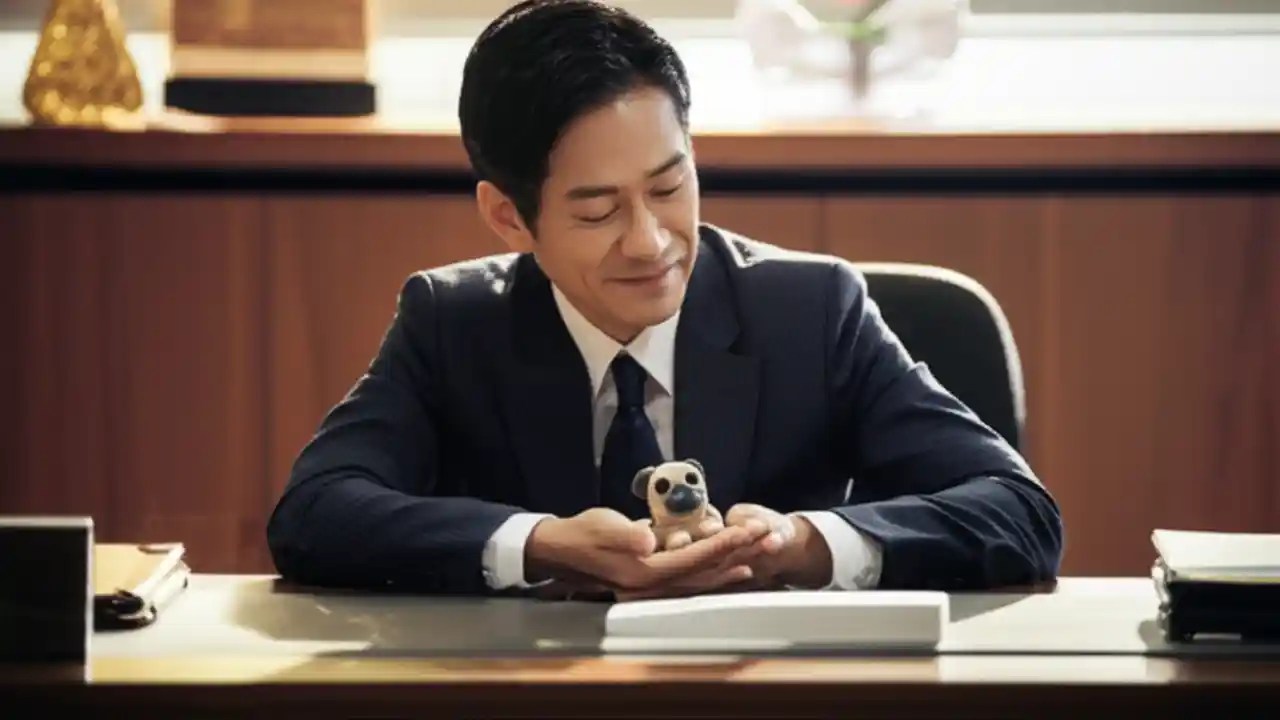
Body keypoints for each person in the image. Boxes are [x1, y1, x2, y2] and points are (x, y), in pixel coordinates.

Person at [266, 0, 1063, 600]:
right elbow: (315, 512)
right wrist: (540, 544)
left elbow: (1018, 512)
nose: (650, 241)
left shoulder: (812, 310)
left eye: (669, 185)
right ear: (509, 216)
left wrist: (803, 543)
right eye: (597, 210)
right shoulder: (451, 322)